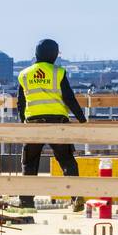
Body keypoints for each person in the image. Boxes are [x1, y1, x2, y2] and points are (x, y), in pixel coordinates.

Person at [16, 38, 87, 210]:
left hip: (33, 123)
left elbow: (21, 102)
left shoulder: (24, 74)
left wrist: (22, 123)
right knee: (67, 160)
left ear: (36, 54)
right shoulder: (58, 72)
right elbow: (69, 98)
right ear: (55, 55)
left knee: (30, 163)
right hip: (57, 123)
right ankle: (76, 198)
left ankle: (26, 202)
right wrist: (81, 119)